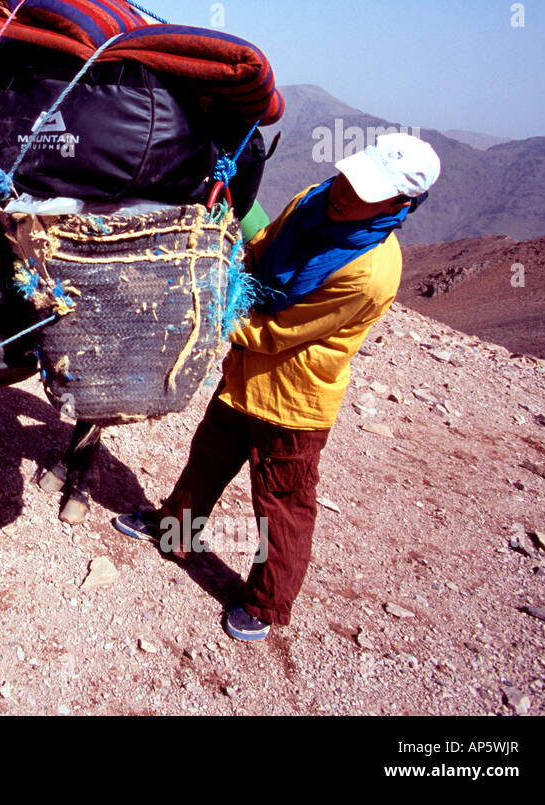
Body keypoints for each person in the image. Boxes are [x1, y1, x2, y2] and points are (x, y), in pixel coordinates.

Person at [114, 132, 441, 641]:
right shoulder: (314, 198)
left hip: (293, 399)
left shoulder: (371, 272)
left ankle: (267, 603)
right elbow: (263, 246)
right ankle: (174, 532)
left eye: (364, 190)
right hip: (245, 377)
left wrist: (207, 319)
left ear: (400, 204)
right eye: (350, 175)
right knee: (207, 459)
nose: (345, 190)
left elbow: (281, 331)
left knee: (282, 503)